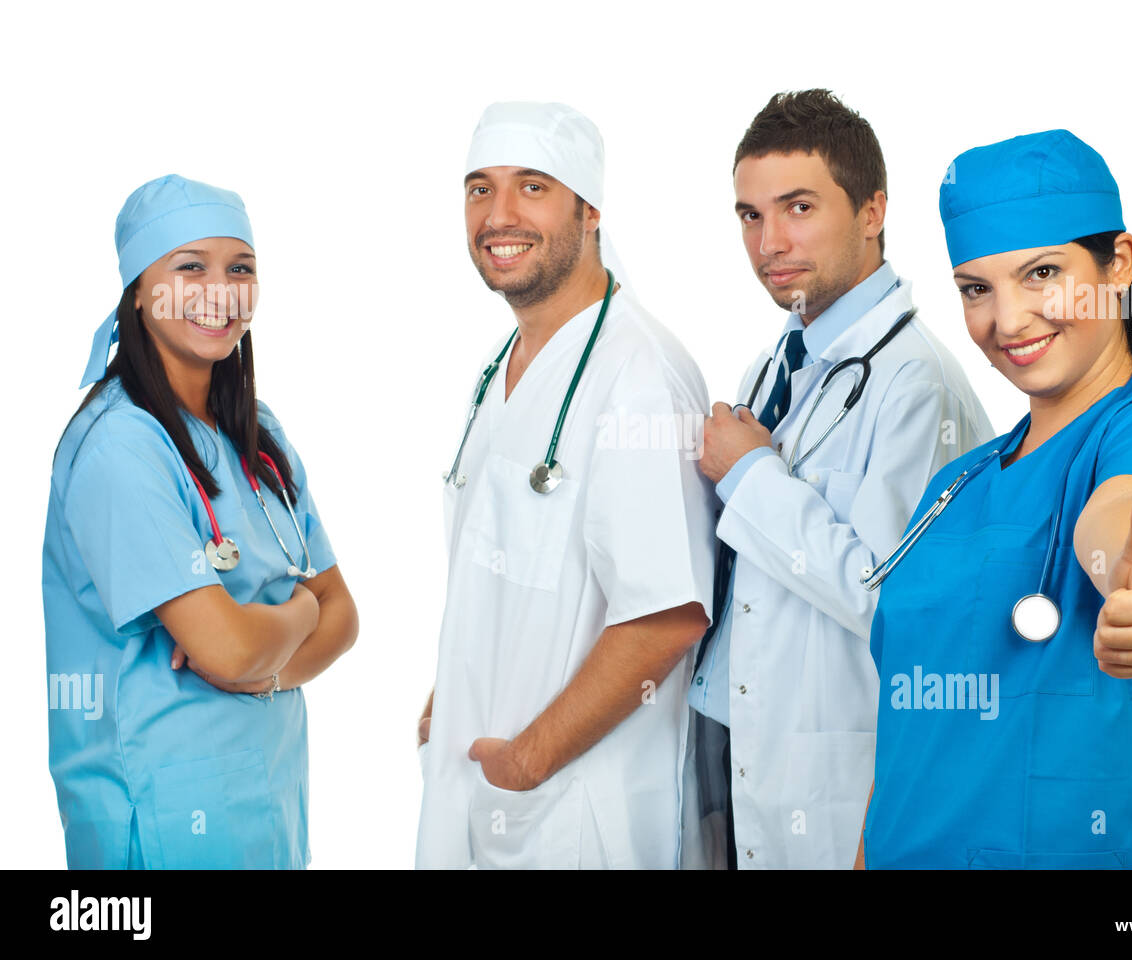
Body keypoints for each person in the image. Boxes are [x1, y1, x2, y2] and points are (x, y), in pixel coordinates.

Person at [857, 129, 1132, 869]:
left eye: (1042, 274)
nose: (1008, 321)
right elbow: (906, 732)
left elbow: (1127, 514)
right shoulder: (955, 484)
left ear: (1117, 264)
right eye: (976, 289)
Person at [686, 89, 992, 869]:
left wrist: (752, 475)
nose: (769, 242)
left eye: (797, 207)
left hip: (836, 784)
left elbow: (901, 600)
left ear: (872, 210)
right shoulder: (778, 362)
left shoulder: (918, 386)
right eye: (750, 215)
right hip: (740, 746)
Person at [414, 102, 715, 869]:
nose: (498, 215)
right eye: (479, 189)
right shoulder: (504, 365)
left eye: (532, 188)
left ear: (590, 210)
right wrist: (456, 684)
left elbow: (666, 617)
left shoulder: (638, 375)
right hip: (487, 786)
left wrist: (528, 761)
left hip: (578, 815)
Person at [43, 174, 359, 869]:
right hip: (158, 817)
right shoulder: (122, 446)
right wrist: (303, 607)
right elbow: (232, 650)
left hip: (269, 805)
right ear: (137, 290)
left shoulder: (258, 432)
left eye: (240, 269)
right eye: (190, 267)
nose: (221, 292)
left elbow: (346, 621)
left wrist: (268, 654)